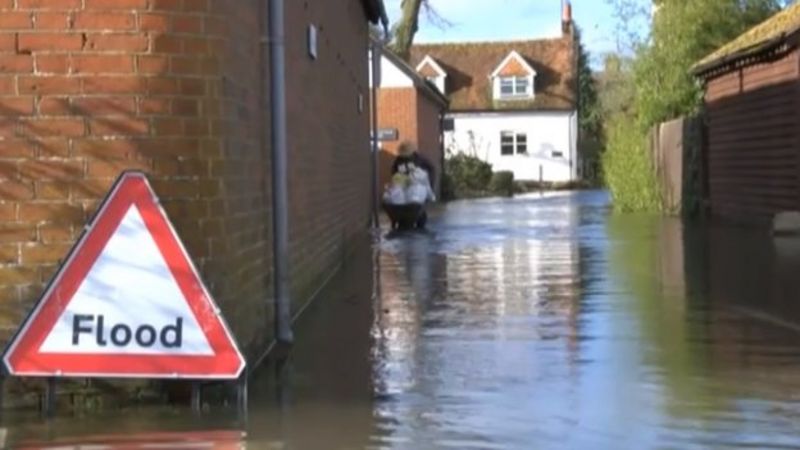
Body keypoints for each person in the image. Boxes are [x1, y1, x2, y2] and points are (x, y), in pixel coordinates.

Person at [391, 141, 435, 228]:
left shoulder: (419, 158)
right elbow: (394, 172)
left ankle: (418, 219)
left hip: (416, 185)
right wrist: (397, 180)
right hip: (403, 185)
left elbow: (431, 169)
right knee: (399, 197)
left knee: (415, 199)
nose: (404, 156)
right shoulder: (398, 160)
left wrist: (430, 182)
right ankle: (402, 218)